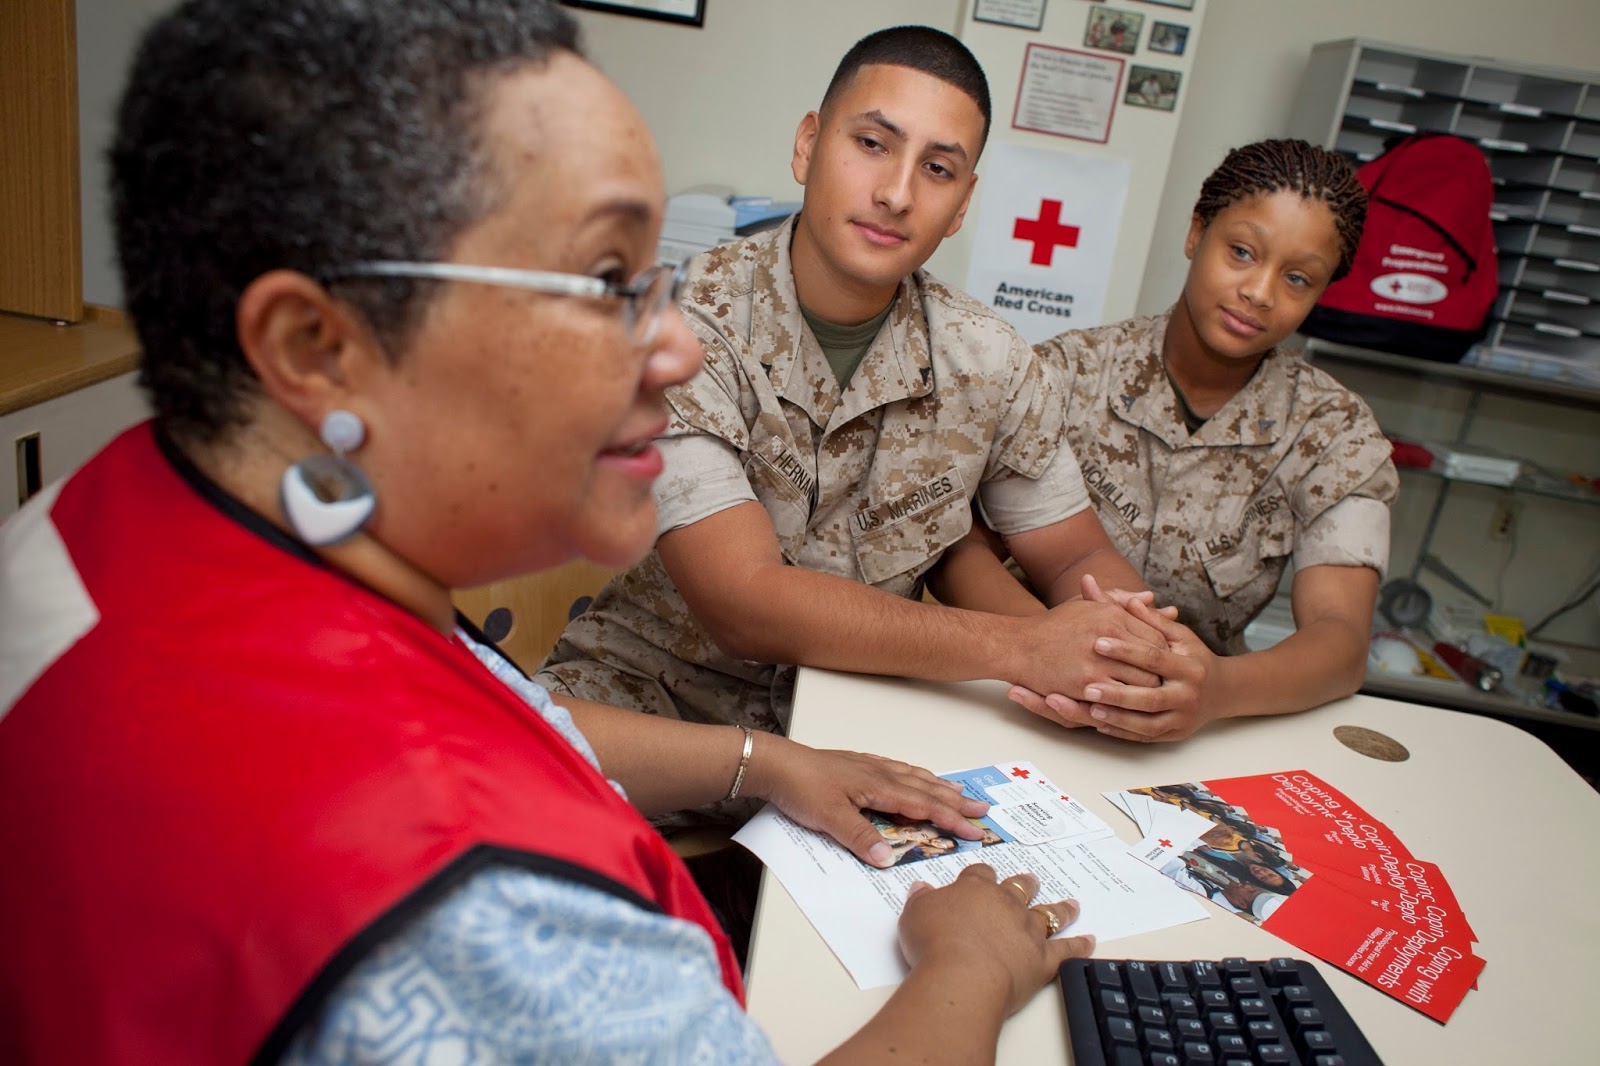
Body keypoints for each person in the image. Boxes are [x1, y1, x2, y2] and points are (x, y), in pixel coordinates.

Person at [0, 3, 1095, 1063]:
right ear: (314, 344)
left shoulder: (96, 521)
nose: (676, 345)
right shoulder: (496, 912)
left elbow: (496, 704)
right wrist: (969, 969)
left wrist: (765, 763)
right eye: (604, 280)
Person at [537, 25, 1159, 823]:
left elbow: (1073, 550)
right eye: (872, 143)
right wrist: (1027, 649)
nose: (898, 193)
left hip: (868, 735)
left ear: (963, 203)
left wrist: (1132, 656)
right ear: (808, 144)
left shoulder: (993, 362)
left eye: (937, 169)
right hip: (649, 716)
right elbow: (743, 601)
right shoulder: (685, 320)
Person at [932, 139, 1398, 743]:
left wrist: (1219, 690)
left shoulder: (1337, 432)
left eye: (1298, 278)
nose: (1260, 291)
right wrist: (1054, 654)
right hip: (1014, 696)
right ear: (1195, 233)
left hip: (1197, 720)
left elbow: (1340, 642)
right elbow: (956, 549)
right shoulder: (1063, 376)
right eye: (1241, 252)